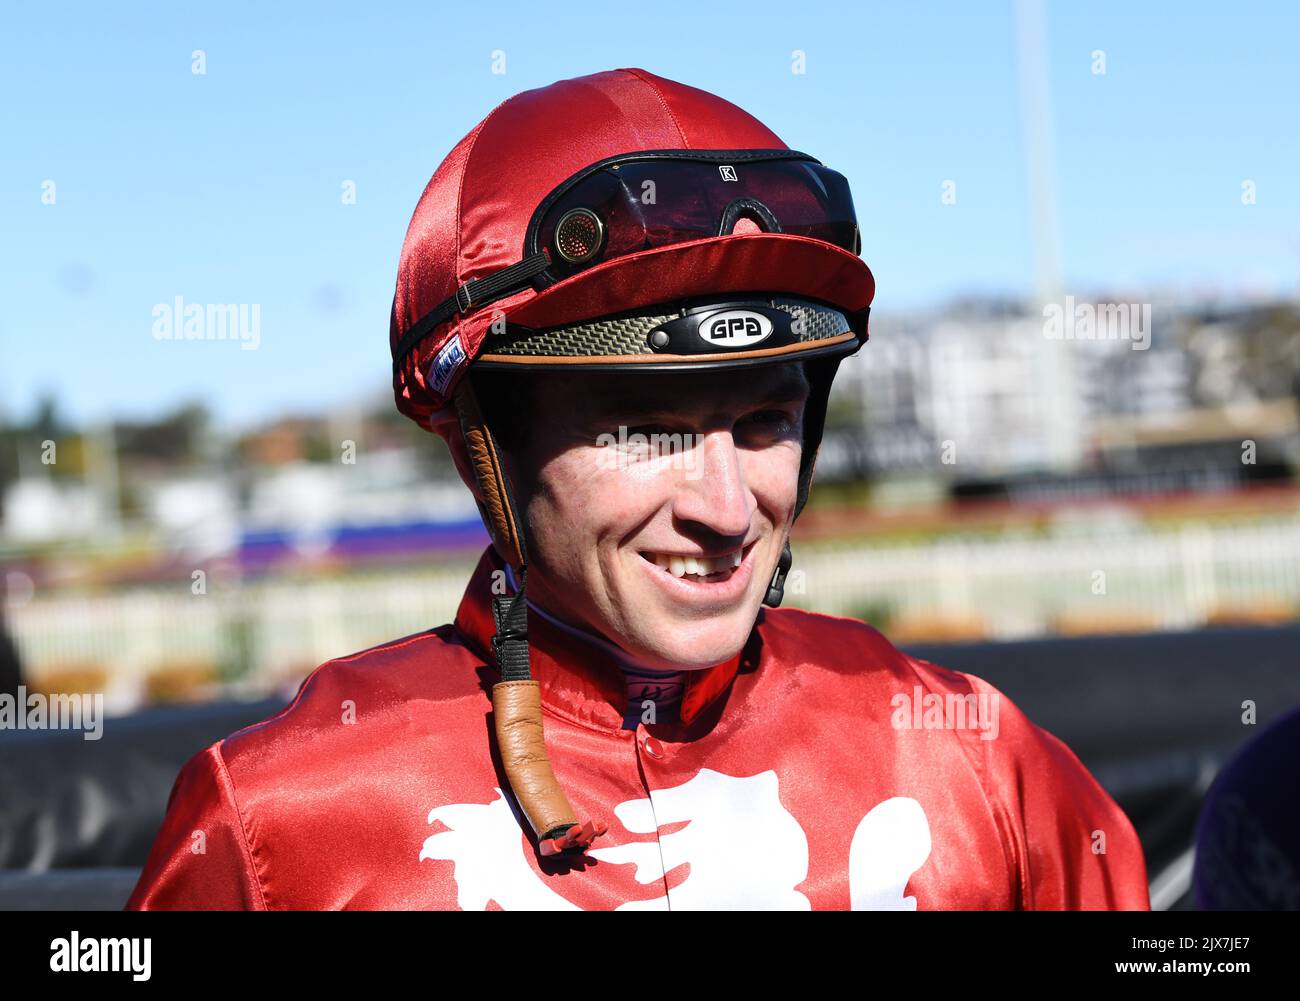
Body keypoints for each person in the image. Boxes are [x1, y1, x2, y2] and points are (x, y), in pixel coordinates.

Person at [125, 67, 1149, 910]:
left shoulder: (976, 756)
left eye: (763, 421)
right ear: (485, 444)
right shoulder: (274, 822)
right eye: (647, 430)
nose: (723, 504)